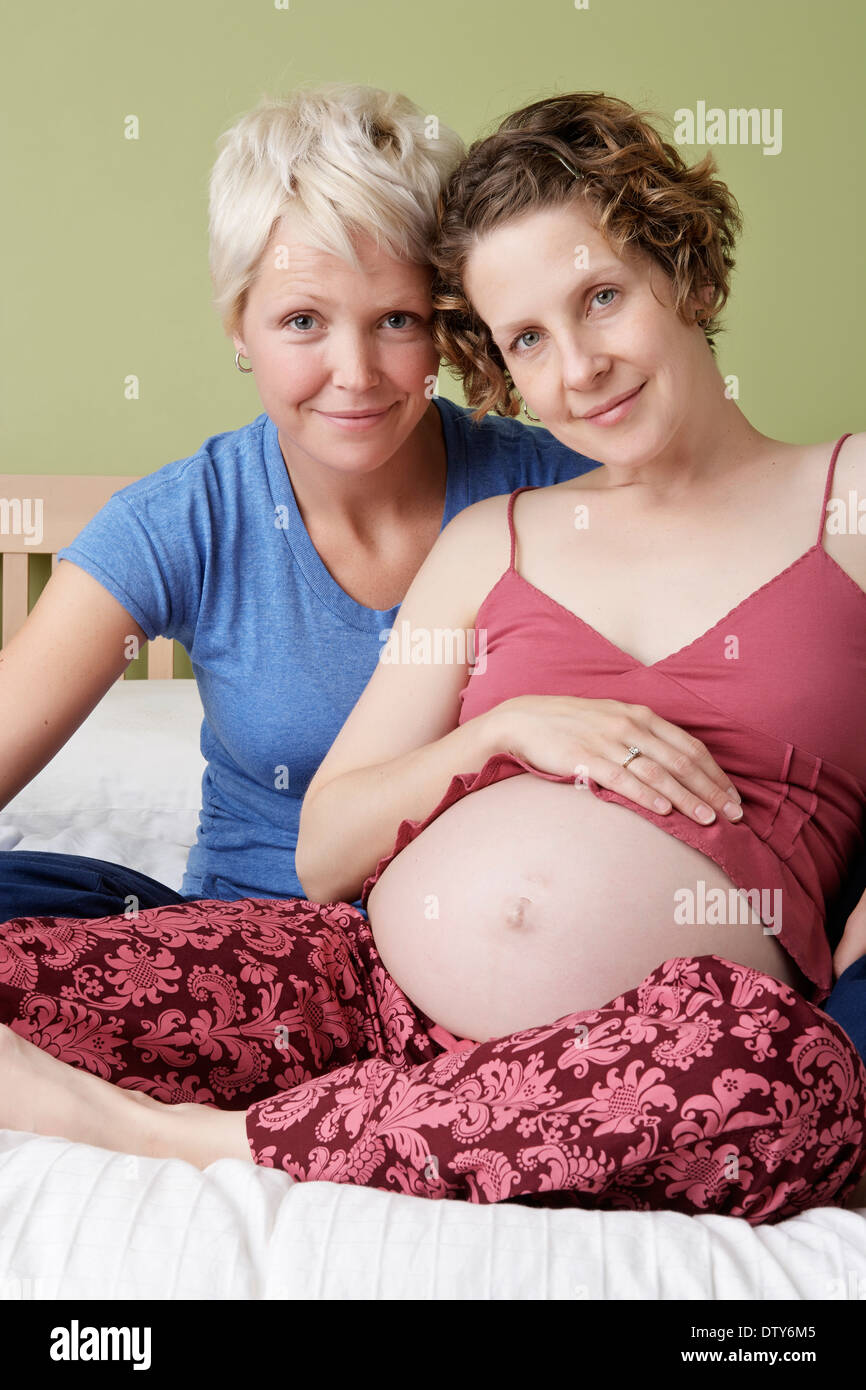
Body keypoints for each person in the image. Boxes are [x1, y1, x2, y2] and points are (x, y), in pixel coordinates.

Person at [2, 91, 864, 1225]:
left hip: (656, 1033)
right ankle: (384, 1122)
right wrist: (500, 733)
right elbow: (325, 853)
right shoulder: (488, 534)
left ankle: (187, 1138)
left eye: (601, 297)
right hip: (355, 979)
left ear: (687, 276)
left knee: (774, 1080)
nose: (580, 367)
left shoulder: (818, 497)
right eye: (526, 340)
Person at [0, 81, 604, 923]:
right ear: (238, 327)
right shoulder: (186, 520)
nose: (354, 374)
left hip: (481, 960)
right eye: (301, 322)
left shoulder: (561, 491)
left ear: (449, 321)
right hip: (238, 963)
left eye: (397, 319)